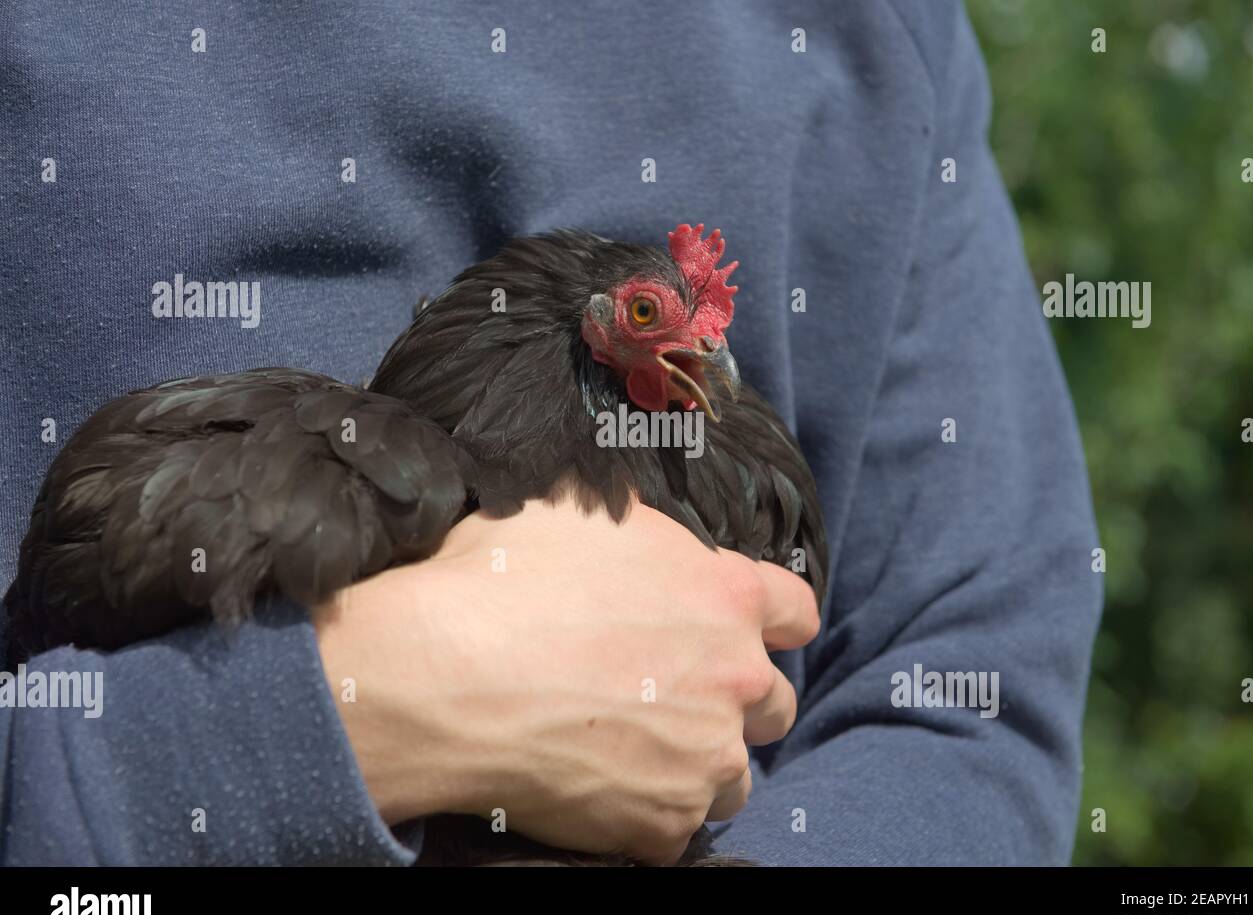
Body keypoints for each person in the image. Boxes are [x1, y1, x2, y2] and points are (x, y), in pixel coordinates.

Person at [0, 0, 1101, 865]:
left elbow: (966, 676)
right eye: (650, 321)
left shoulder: (873, 28)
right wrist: (342, 722)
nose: (706, 359)